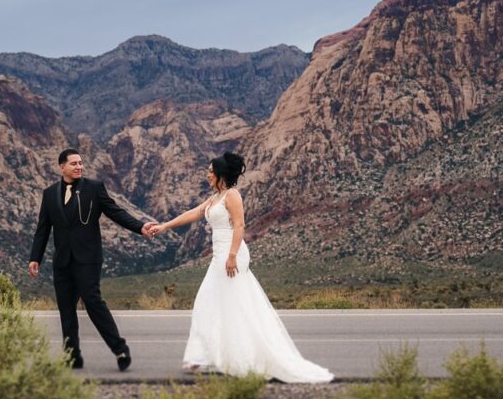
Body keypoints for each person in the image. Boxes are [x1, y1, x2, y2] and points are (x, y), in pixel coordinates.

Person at [148, 151, 334, 382]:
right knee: (212, 301)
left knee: (231, 303)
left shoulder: (232, 196)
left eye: (210, 171)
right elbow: (194, 213)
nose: (207, 175)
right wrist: (165, 226)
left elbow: (239, 224)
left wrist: (233, 255)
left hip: (231, 254)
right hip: (219, 255)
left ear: (220, 174)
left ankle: (235, 356)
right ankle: (206, 355)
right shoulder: (215, 198)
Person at [28, 147, 150, 370]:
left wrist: (140, 227)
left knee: (93, 302)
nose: (79, 167)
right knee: (66, 309)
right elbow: (43, 229)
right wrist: (35, 257)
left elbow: (116, 212)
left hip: (88, 258)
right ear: (61, 167)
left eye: (80, 163)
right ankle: (72, 356)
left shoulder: (94, 188)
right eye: (73, 163)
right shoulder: (49, 194)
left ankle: (120, 349)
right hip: (62, 262)